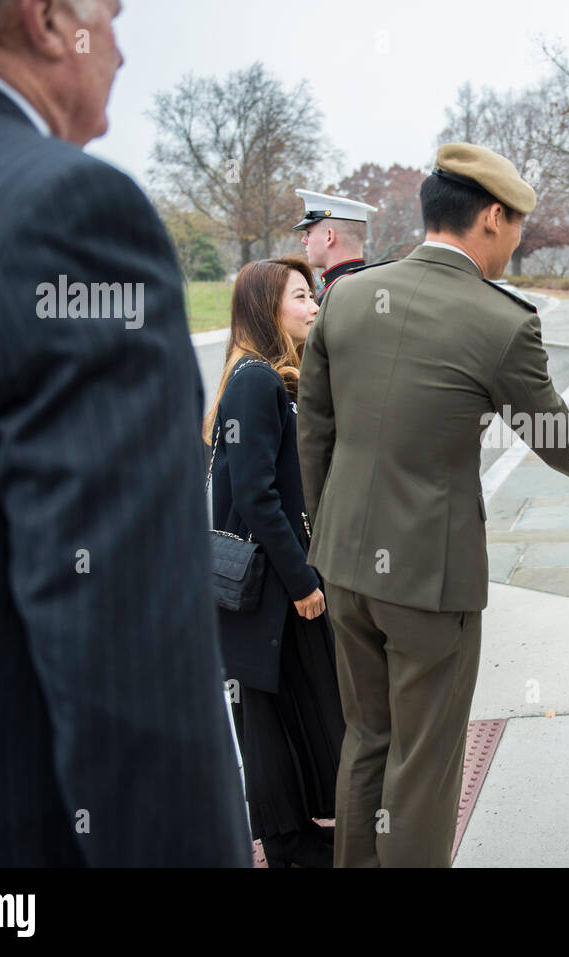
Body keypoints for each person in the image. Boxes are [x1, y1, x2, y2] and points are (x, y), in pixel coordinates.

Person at [0, 0, 249, 865]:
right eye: (109, 13)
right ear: (47, 20)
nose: (121, 44)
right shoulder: (66, 217)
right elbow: (133, 679)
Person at [297, 142, 569, 867]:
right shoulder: (499, 319)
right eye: (516, 225)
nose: (518, 240)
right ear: (490, 216)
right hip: (429, 577)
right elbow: (549, 431)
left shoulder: (347, 295)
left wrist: (326, 537)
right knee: (424, 759)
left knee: (367, 740)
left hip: (345, 564)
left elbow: (314, 433)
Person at [205, 256, 345, 868]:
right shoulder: (256, 380)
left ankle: (297, 831)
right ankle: (286, 845)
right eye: (300, 296)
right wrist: (302, 580)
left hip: (264, 579)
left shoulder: (259, 377)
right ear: (268, 308)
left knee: (284, 701)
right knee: (263, 710)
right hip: (266, 581)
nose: (314, 304)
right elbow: (258, 496)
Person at [294, 189, 377, 304]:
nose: (304, 240)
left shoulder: (329, 301)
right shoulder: (380, 289)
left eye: (309, 233)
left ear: (329, 236)